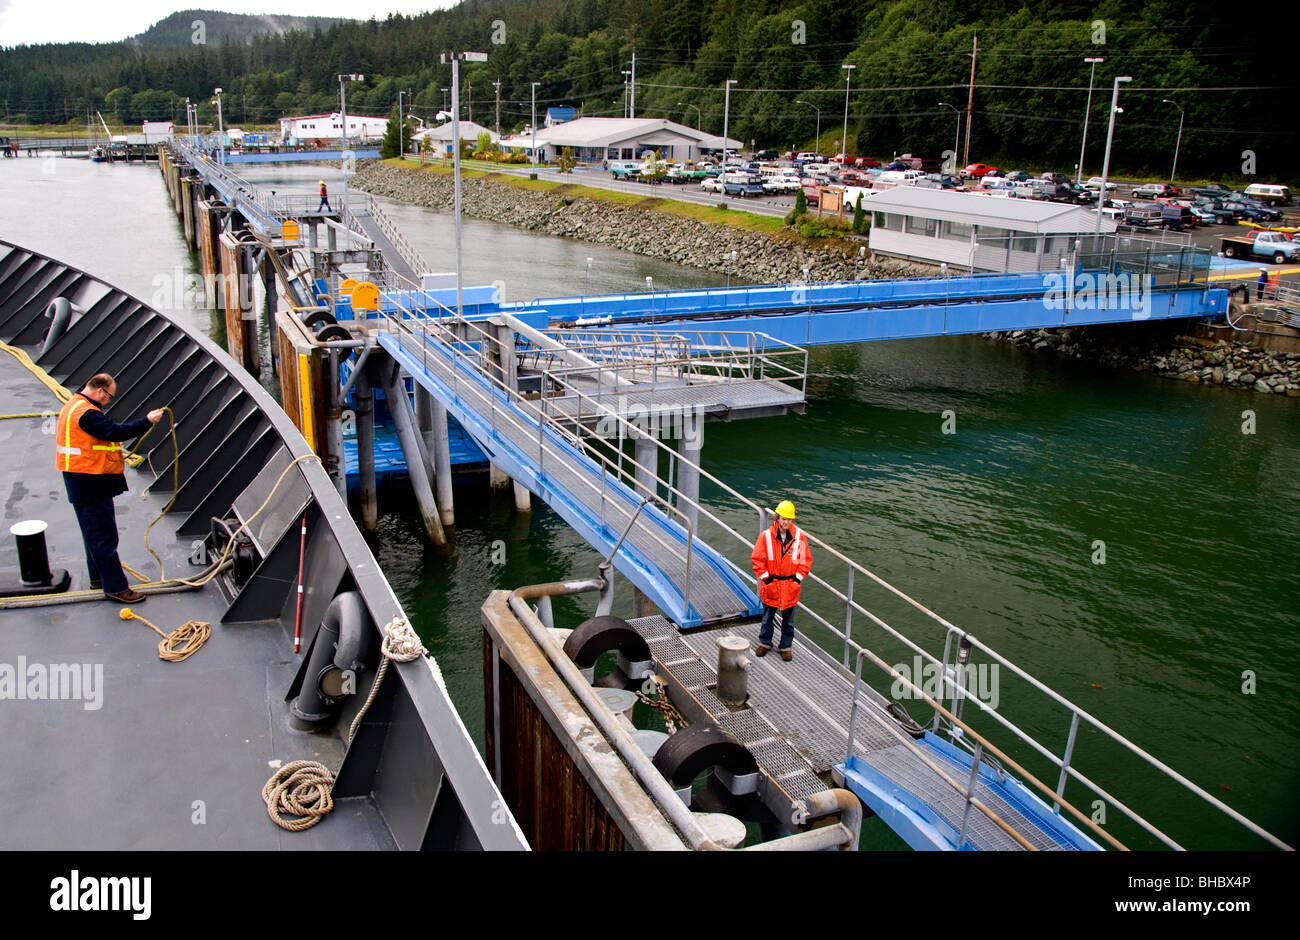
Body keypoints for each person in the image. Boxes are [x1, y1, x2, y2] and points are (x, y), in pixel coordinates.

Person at [55, 374, 164, 603]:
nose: (108, 402)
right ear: (100, 391)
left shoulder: (74, 405)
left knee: (92, 533)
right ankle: (116, 588)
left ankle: (98, 578)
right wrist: (148, 421)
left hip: (80, 480)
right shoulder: (87, 414)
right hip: (91, 481)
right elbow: (115, 433)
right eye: (109, 397)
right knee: (104, 536)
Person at [750, 500, 812, 661]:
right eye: (784, 518)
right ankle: (765, 643)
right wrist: (767, 579)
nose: (787, 522)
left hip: (790, 585)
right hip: (771, 584)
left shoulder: (799, 537)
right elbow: (757, 560)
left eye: (789, 519)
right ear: (777, 518)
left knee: (789, 621)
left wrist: (797, 579)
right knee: (767, 618)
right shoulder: (766, 537)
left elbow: (805, 560)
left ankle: (786, 646)